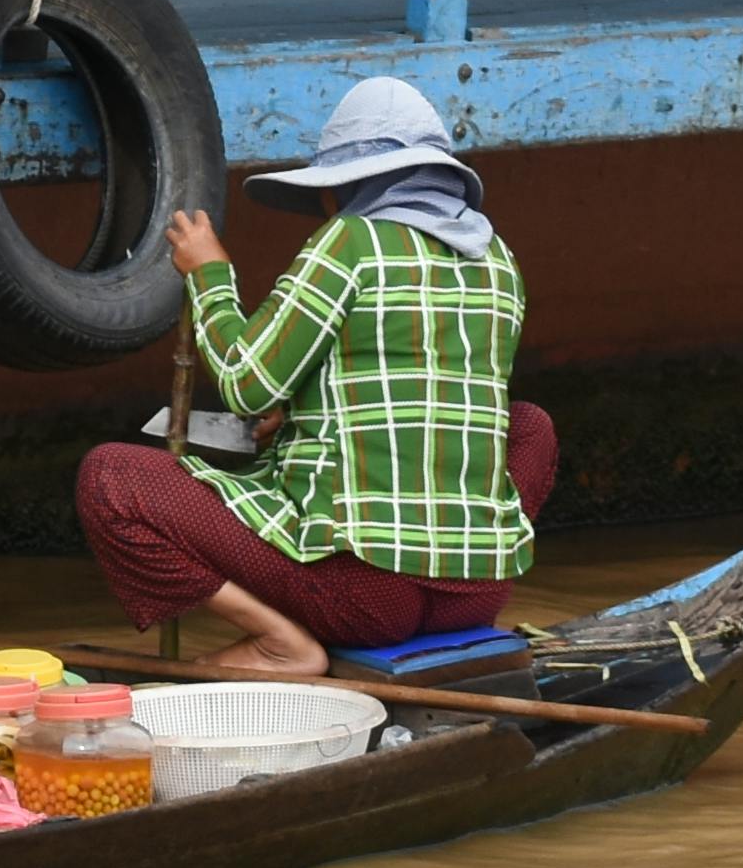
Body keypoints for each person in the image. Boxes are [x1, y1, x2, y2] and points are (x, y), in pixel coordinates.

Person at [76, 76, 552, 676]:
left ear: (352, 187)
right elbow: (409, 382)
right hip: (473, 596)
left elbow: (247, 385)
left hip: (362, 595)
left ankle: (281, 643)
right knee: (530, 427)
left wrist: (210, 277)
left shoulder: (350, 240)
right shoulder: (499, 261)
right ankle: (468, 583)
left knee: (111, 478)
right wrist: (301, 407)